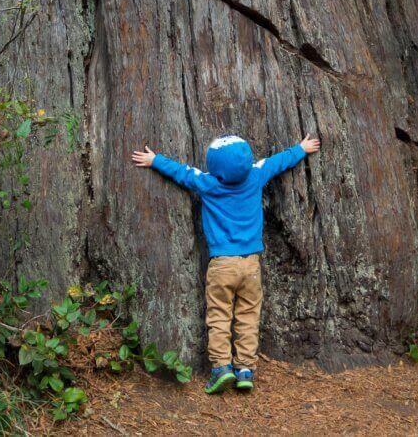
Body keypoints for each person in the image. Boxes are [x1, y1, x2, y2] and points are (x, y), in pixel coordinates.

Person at [131, 134, 320, 393]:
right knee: (248, 316)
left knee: (219, 316)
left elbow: (182, 173)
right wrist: (302, 148)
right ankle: (245, 369)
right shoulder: (255, 176)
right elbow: (277, 162)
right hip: (251, 265)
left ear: (215, 168)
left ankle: (221, 367)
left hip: (222, 265)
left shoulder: (208, 184)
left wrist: (155, 160)